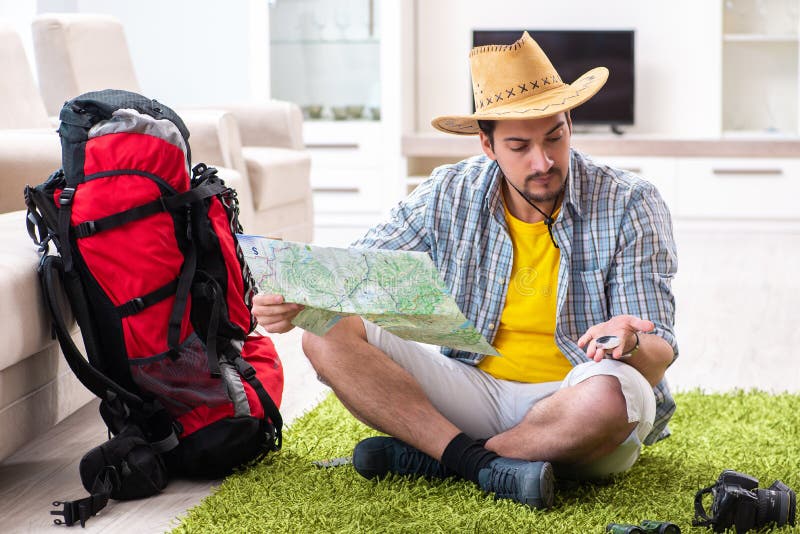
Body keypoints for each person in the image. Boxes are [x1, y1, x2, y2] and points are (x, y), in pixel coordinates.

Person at [253, 31, 678, 510]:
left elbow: (659, 353)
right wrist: (300, 298)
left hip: (578, 395)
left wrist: (632, 340)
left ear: (569, 123)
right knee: (324, 331)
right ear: (487, 145)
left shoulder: (630, 202)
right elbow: (359, 272)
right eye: (520, 146)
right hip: (475, 389)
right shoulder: (449, 192)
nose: (543, 161)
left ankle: (444, 456)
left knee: (609, 398)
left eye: (555, 137)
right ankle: (488, 463)